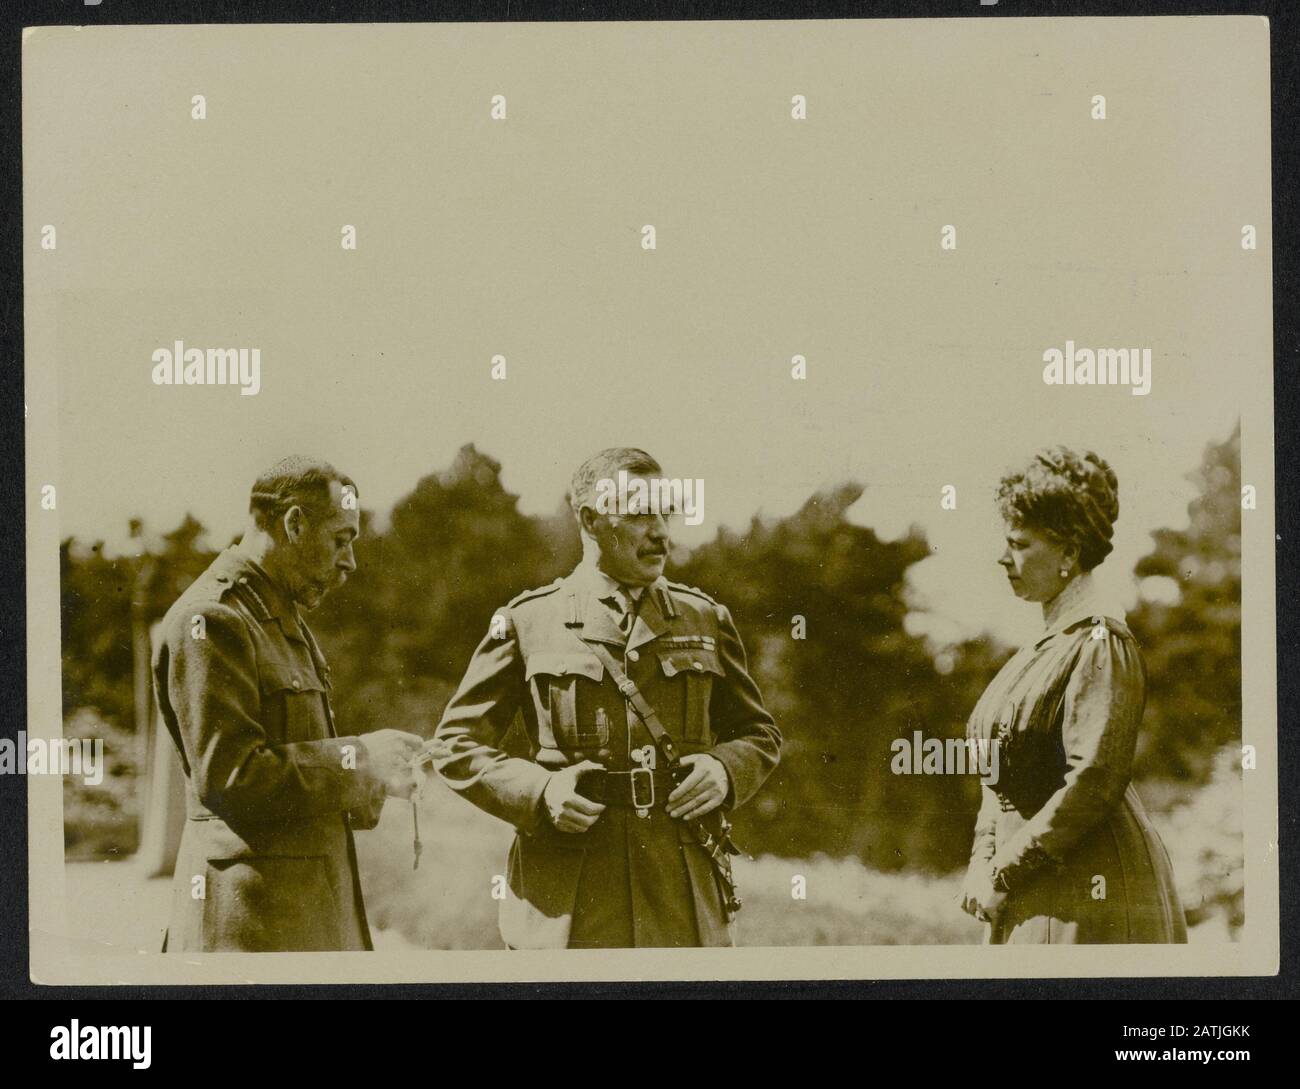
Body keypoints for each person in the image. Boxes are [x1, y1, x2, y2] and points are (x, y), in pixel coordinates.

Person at [427, 447, 781, 949]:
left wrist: (724, 770)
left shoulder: (705, 618)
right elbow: (454, 744)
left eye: (665, 512)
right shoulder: (528, 620)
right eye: (639, 513)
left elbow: (759, 733)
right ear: (591, 520)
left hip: (681, 894)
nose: (660, 531)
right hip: (567, 900)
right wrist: (541, 792)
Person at [152, 456, 422, 951]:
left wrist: (379, 781)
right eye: (341, 539)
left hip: (299, 917)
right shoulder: (213, 618)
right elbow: (230, 776)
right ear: (294, 523)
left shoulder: (279, 619)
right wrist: (361, 759)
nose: (350, 562)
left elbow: (297, 768)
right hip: (250, 928)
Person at [958, 446, 1188, 943]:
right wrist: (983, 862)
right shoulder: (1043, 648)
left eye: (1020, 544)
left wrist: (1003, 873)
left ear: (1068, 552)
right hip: (1028, 882)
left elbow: (1095, 779)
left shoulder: (1101, 641)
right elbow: (995, 776)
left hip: (1088, 888)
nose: (1004, 557)